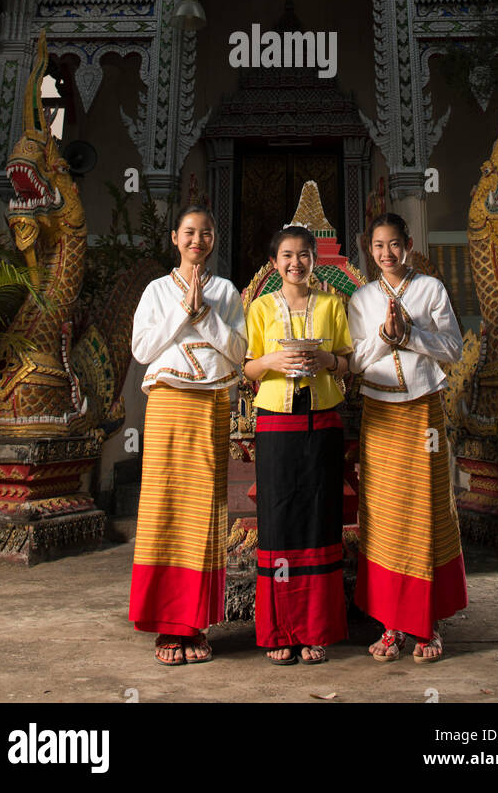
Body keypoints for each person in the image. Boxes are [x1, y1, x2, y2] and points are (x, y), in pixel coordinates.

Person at [128, 204, 246, 665]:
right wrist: (183, 311)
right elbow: (142, 350)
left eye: (207, 233)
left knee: (205, 513)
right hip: (168, 404)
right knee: (165, 507)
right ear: (175, 238)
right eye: (190, 233)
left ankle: (195, 625)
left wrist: (207, 315)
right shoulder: (157, 291)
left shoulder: (228, 292)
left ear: (214, 240)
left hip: (211, 404)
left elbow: (239, 352)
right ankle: (166, 627)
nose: (198, 240)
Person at [348, 212, 467, 663]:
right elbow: (356, 360)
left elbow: (453, 348)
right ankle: (392, 623)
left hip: (424, 412)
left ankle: (428, 625)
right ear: (369, 249)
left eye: (394, 244)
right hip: (380, 414)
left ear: (409, 244)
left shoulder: (430, 289)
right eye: (378, 246)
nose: (386, 253)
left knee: (427, 509)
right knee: (383, 514)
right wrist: (384, 336)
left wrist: (411, 334)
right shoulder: (361, 299)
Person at [244, 223, 353, 665]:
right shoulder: (260, 309)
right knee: (278, 518)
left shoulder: (332, 306)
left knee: (319, 517)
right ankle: (279, 631)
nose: (296, 262)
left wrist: (326, 360)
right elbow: (248, 368)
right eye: (287, 255)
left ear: (315, 260)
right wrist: (273, 360)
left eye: (304, 254)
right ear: (274, 264)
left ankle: (316, 630)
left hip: (323, 420)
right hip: (274, 422)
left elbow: (347, 362)